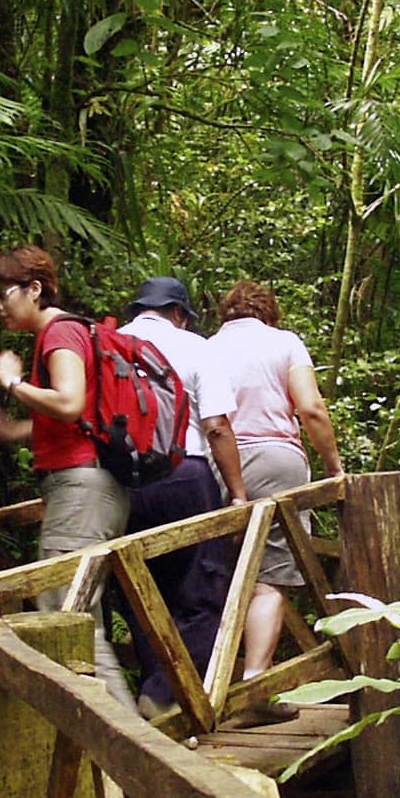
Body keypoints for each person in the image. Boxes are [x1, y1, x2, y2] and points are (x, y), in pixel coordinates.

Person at [0, 245, 137, 705]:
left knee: (68, 619)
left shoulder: (59, 334)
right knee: (77, 616)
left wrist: (13, 383)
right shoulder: (72, 332)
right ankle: (124, 751)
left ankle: (135, 753)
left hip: (81, 489)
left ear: (35, 289)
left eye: (5, 295)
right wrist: (12, 430)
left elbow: (68, 402)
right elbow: (71, 420)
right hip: (94, 486)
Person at [116, 276, 247, 716]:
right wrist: (237, 492)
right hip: (184, 474)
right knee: (202, 588)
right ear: (179, 313)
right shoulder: (195, 346)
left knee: (141, 589)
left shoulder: (110, 344)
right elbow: (215, 426)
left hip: (124, 482)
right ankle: (165, 695)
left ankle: (161, 694)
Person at [209, 280, 343, 685]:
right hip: (275, 460)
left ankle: (211, 686)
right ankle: (255, 683)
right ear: (269, 312)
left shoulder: (205, 347)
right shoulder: (285, 343)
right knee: (270, 576)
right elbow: (310, 408)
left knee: (222, 572)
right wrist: (334, 466)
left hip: (216, 461)